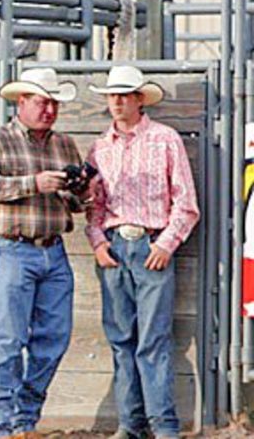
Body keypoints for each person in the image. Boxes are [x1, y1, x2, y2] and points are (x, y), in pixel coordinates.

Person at [0, 67, 86, 439]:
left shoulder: (64, 145)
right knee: (8, 339)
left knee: (54, 338)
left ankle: (23, 419)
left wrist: (81, 190)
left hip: (52, 248)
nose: (49, 109)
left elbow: (74, 202)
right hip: (10, 247)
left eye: (53, 103)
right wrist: (33, 183)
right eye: (42, 102)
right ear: (22, 102)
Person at [85, 66, 199, 439]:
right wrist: (98, 242)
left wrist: (166, 243)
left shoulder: (165, 140)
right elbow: (94, 204)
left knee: (152, 339)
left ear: (139, 99)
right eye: (112, 95)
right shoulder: (99, 147)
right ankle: (130, 423)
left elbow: (186, 201)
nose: (117, 102)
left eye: (124, 95)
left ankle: (163, 424)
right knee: (122, 340)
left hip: (151, 244)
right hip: (115, 247)